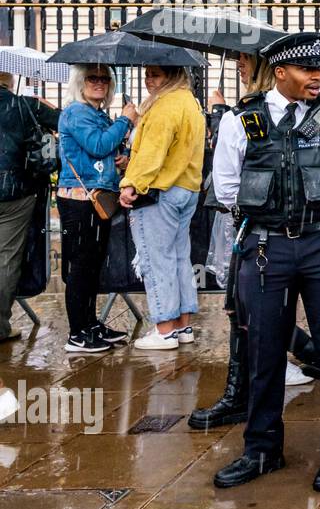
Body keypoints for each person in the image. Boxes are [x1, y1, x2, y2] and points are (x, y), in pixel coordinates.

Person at [210, 33, 320, 491]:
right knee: (263, 352)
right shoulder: (242, 121)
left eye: (319, 68)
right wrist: (275, 223)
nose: (316, 76)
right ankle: (261, 449)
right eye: (305, 69)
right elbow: (226, 190)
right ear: (280, 72)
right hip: (266, 250)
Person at [189, 53, 320, 431]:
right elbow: (228, 184)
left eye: (246, 62)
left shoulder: (276, 115)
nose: (239, 67)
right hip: (244, 225)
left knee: (250, 308)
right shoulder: (241, 115)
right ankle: (242, 390)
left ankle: (247, 391)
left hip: (260, 230)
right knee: (239, 307)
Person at [119, 65, 205, 350]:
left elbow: (152, 153)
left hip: (160, 191)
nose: (148, 79)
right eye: (147, 74)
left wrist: (131, 183)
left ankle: (165, 329)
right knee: (180, 258)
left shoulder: (164, 107)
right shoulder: (190, 103)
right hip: (186, 188)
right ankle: (183, 326)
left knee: (157, 260)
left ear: (171, 74)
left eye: (156, 74)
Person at [56, 64, 137, 352]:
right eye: (93, 78)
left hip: (96, 198)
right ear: (81, 81)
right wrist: (126, 120)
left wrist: (123, 158)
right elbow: (98, 145)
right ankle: (77, 333)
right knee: (81, 267)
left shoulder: (97, 114)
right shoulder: (77, 112)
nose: (99, 83)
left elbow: (107, 152)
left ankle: (90, 324)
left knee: (92, 266)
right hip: (79, 201)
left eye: (104, 79)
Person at [0, 72, 60, 342]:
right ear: (9, 78)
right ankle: (0, 325)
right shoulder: (24, 104)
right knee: (7, 259)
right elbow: (64, 122)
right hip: (15, 192)